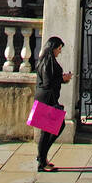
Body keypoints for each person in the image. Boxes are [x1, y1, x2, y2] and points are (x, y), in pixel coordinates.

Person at [33, 35, 72, 172]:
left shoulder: (47, 61)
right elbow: (48, 82)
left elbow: (51, 79)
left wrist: (63, 79)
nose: (60, 51)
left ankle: (42, 157)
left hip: (46, 97)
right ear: (53, 48)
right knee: (52, 128)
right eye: (59, 48)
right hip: (46, 99)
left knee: (48, 130)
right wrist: (62, 78)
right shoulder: (47, 62)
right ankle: (42, 159)